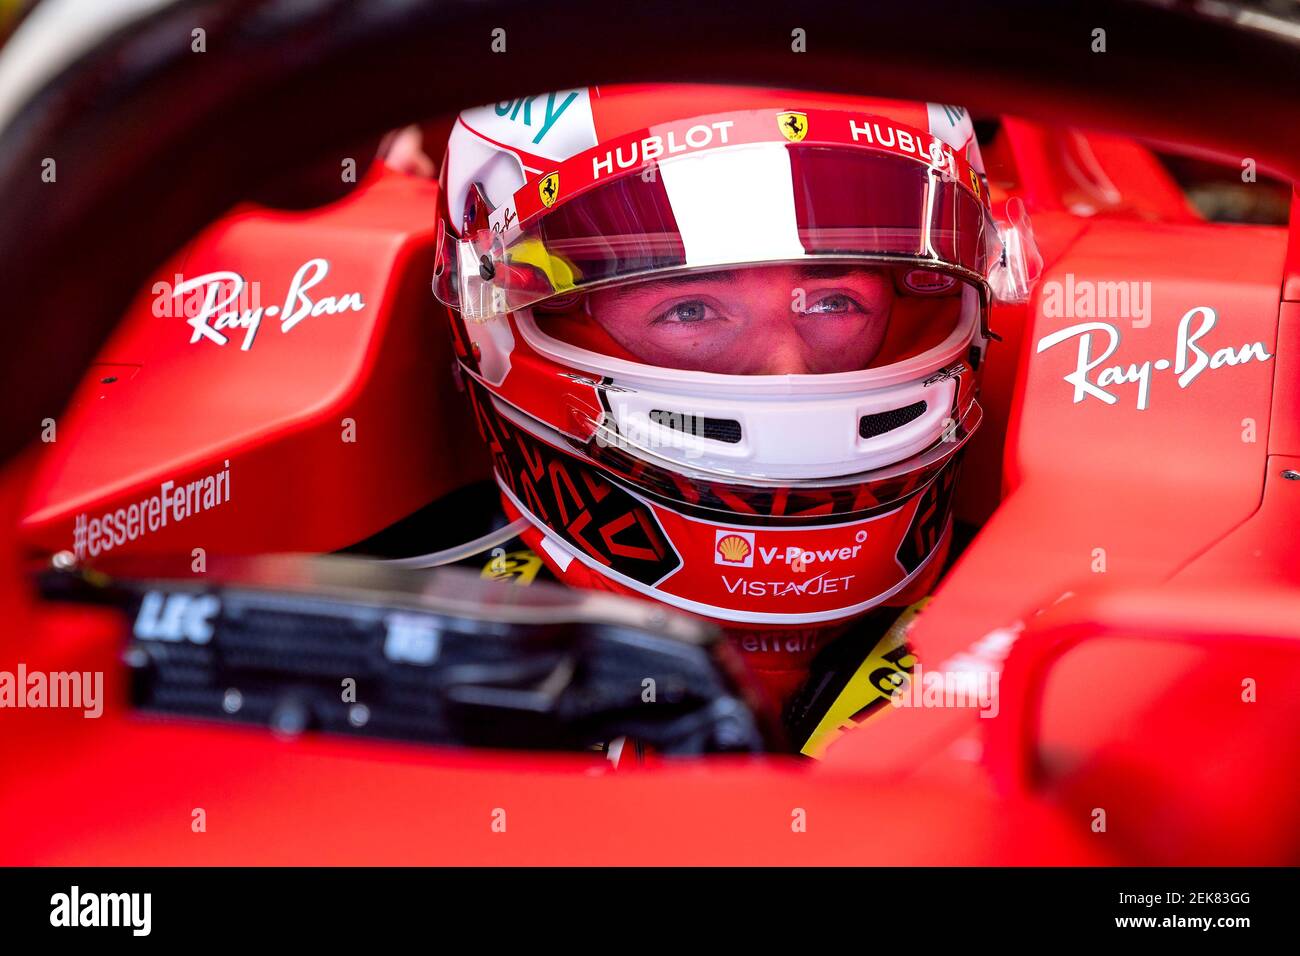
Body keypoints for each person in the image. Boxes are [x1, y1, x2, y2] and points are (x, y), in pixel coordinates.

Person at [422, 84, 1030, 756]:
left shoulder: (1051, 638)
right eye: (690, 311)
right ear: (497, 317)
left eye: (833, 302)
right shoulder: (389, 652)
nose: (787, 372)